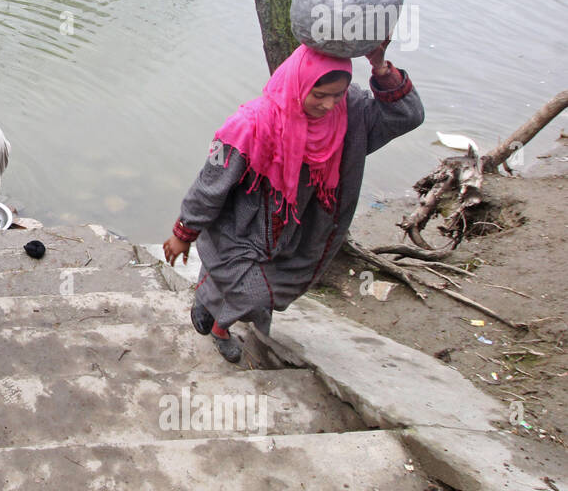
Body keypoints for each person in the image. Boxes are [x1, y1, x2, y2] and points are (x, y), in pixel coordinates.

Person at [162, 40, 423, 363]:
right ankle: (217, 318)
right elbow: (210, 184)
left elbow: (408, 117)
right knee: (252, 293)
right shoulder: (248, 125)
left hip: (304, 229)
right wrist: (184, 232)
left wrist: (381, 70)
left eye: (337, 95)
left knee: (276, 291)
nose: (329, 105)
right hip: (245, 229)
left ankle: (215, 313)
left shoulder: (349, 113)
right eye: (319, 95)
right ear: (297, 84)